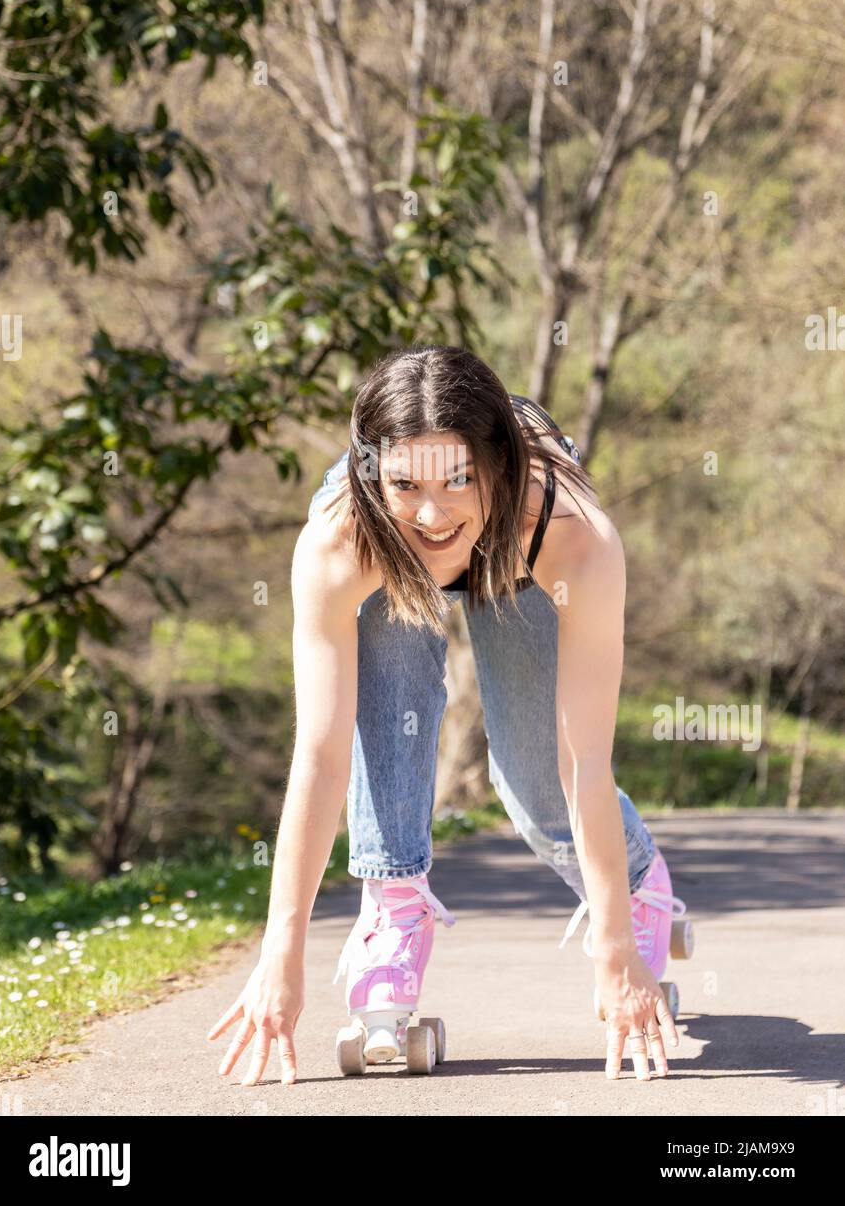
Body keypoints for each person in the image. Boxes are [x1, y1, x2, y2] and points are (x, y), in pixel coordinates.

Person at [207, 344, 688, 1086]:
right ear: (371, 473)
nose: (432, 515)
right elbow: (322, 756)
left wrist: (615, 947)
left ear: (491, 464)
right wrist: (282, 953)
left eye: (457, 479)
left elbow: (582, 763)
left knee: (534, 778)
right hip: (384, 553)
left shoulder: (576, 541)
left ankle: (637, 883)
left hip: (517, 552)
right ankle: (394, 907)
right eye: (404, 483)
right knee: (388, 682)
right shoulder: (341, 541)